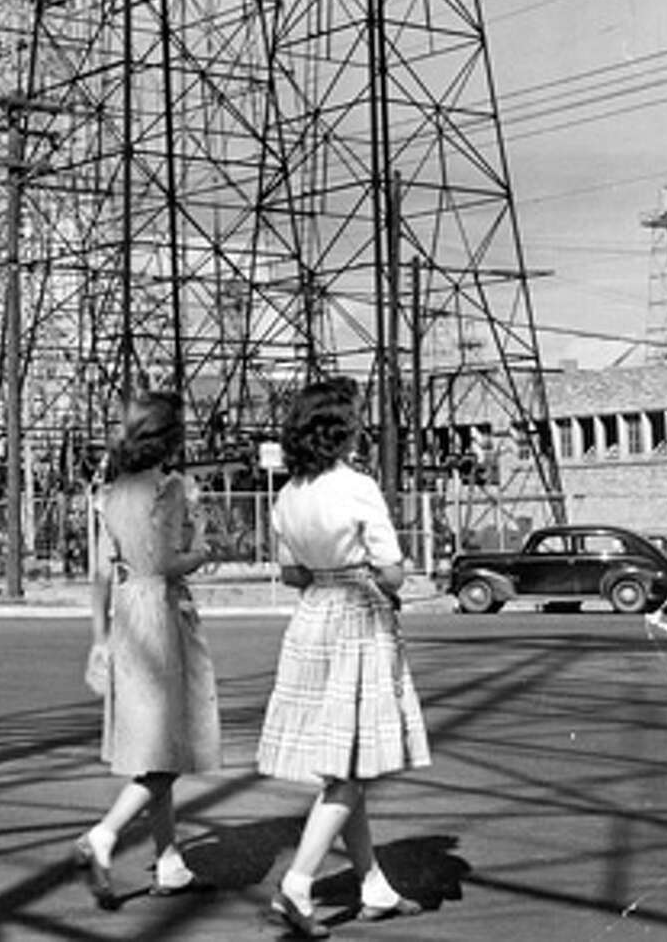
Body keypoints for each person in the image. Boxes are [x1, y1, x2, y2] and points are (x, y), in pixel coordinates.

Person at [257, 376, 430, 938]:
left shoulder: (288, 494)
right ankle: (297, 884)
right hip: (358, 615)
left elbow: (290, 572)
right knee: (351, 766)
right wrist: (389, 581)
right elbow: (393, 568)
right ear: (342, 429)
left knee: (345, 760)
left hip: (313, 619)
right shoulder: (356, 486)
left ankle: (374, 885)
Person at [73, 389, 221, 909]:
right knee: (170, 747)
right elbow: (165, 561)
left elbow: (99, 573)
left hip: (125, 618)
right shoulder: (170, 487)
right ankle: (105, 834)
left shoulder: (113, 494)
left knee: (156, 741)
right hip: (161, 612)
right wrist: (200, 551)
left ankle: (171, 861)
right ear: (169, 438)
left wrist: (98, 641)